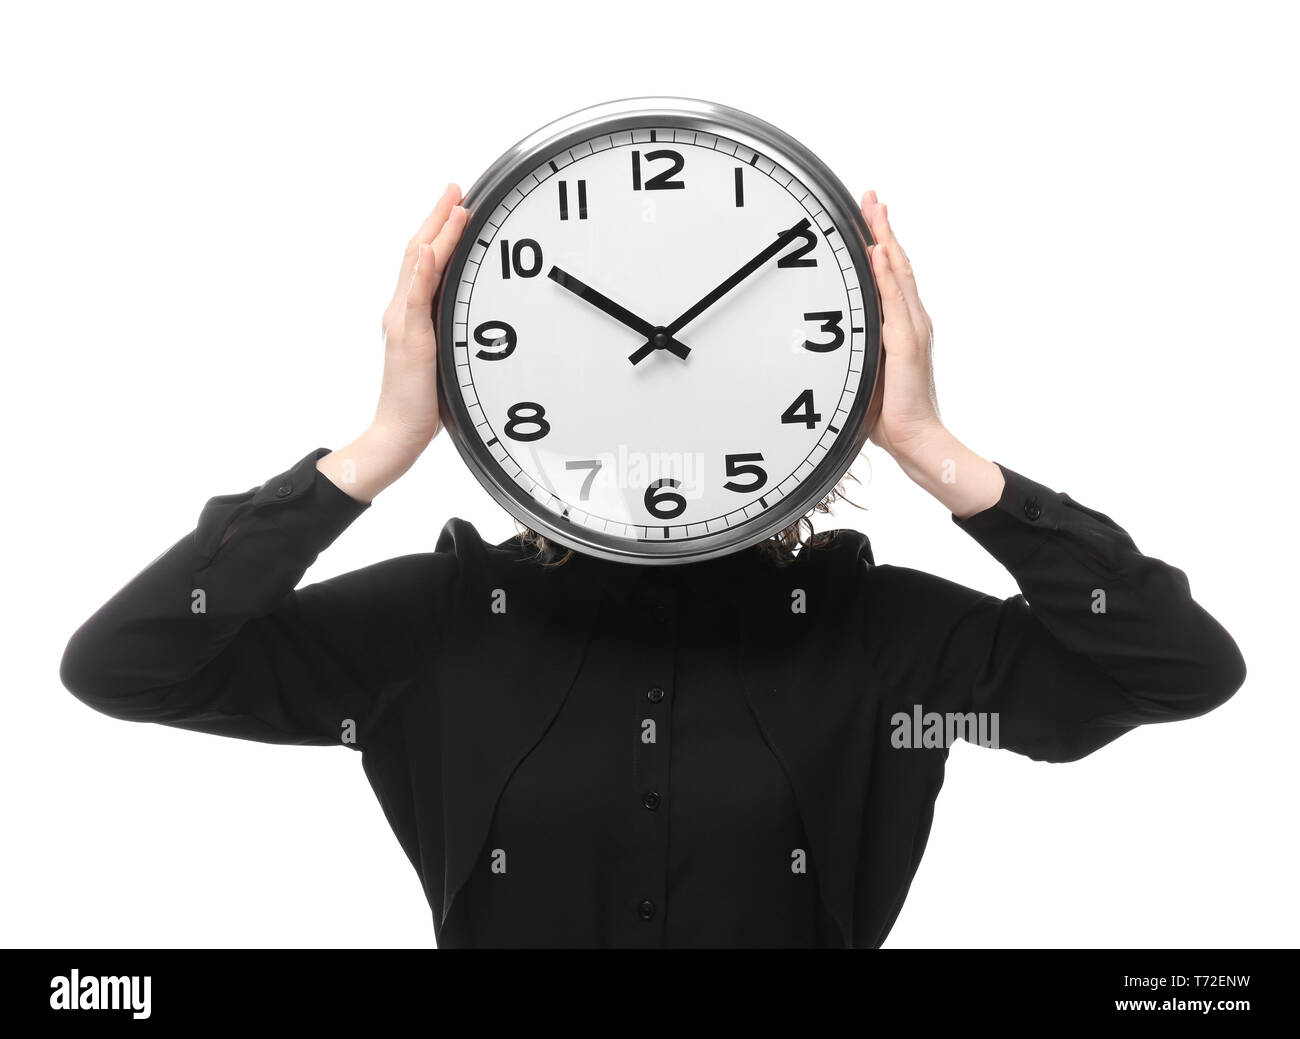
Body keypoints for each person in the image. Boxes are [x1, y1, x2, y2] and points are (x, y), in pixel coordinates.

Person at [59, 185, 1247, 949]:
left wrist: (935, 451)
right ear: (511, 402)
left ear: (815, 405)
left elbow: (1175, 670)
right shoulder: (434, 628)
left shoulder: (883, 651)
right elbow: (130, 666)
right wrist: (374, 451)